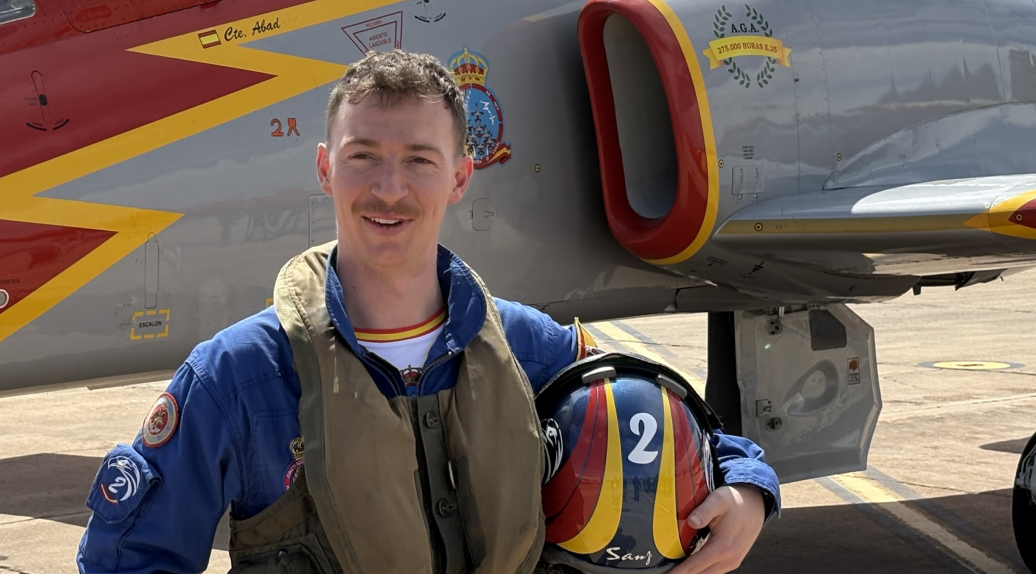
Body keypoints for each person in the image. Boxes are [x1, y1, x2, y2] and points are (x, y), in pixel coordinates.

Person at [78, 50, 779, 574]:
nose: (389, 188)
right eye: (363, 157)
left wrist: (747, 493)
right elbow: (132, 558)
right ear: (325, 169)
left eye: (419, 159)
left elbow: (676, 425)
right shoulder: (241, 377)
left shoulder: (529, 350)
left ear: (460, 176)